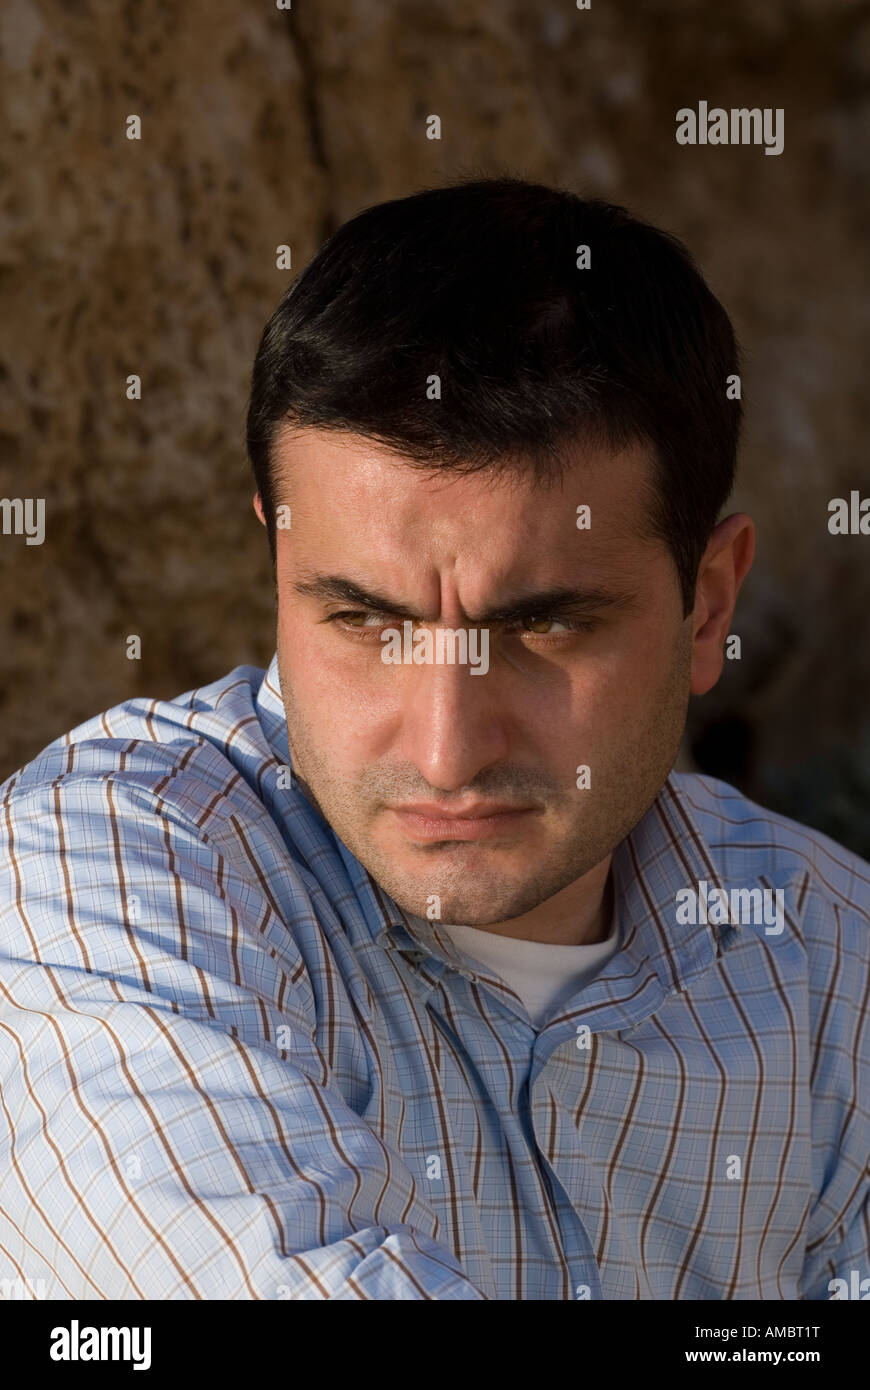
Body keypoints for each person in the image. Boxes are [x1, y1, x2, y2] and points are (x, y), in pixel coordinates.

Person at [0, 178, 866, 1301]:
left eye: (544, 624)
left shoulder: (831, 964)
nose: (448, 750)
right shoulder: (94, 886)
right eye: (365, 619)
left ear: (707, 607)